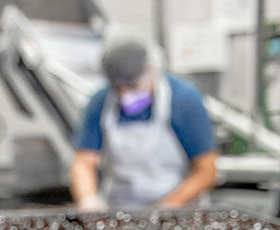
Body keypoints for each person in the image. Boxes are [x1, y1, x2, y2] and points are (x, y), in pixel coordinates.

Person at [69, 36, 219, 211]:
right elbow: (83, 162)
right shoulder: (100, 103)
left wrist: (165, 208)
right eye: (118, 88)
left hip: (178, 212)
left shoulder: (183, 101)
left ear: (151, 70)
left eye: (132, 86)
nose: (125, 94)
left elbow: (207, 171)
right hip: (120, 210)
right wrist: (88, 201)